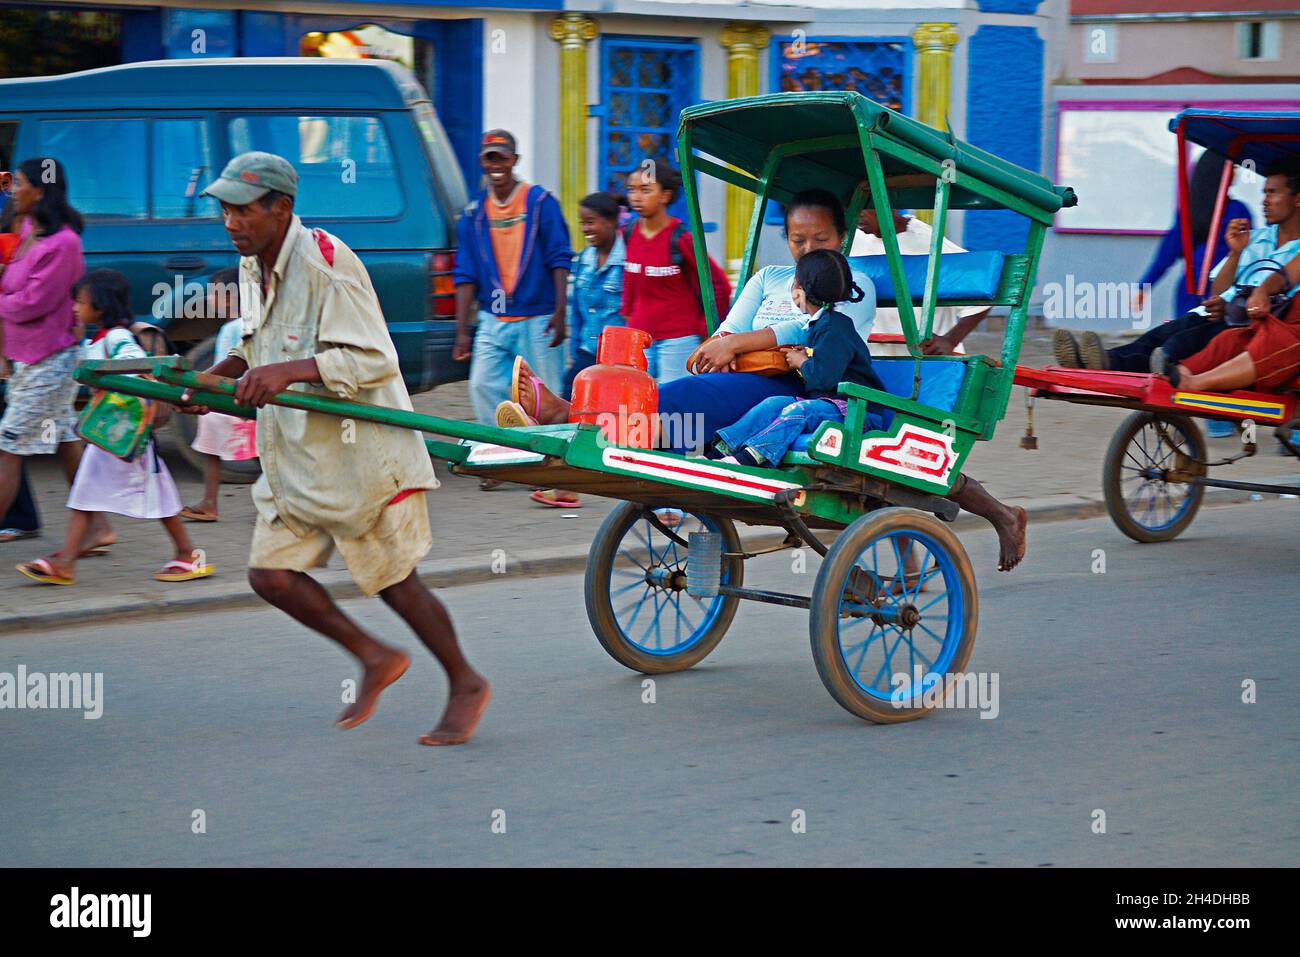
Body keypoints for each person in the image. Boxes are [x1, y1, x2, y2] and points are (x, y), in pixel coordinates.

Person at [501, 191, 1028, 571]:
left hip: (806, 388)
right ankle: (591, 418)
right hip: (755, 379)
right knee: (695, 394)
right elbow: (723, 336)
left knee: (688, 399)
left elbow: (812, 332)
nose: (806, 248)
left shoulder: (852, 284)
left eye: (819, 238)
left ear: (840, 238)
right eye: (797, 239)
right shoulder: (768, 278)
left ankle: (577, 414)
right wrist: (730, 345)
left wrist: (745, 346)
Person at [177, 151, 490, 745]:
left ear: (281, 207)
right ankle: (374, 655)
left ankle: (465, 680)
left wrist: (291, 371)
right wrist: (216, 380)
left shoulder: (325, 263)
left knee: (396, 581)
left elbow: (375, 357)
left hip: (363, 453)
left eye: (243, 210)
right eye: (225, 210)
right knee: (270, 577)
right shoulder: (252, 264)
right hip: (297, 454)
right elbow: (254, 344)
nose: (230, 222)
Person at [16, 270, 211, 586]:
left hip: (124, 431)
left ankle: (67, 561)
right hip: (113, 432)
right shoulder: (99, 338)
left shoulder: (118, 338)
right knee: (135, 494)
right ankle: (186, 553)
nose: (76, 308)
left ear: (102, 306)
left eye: (81, 302)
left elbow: (137, 370)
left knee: (90, 491)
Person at [1053, 163, 1300, 374]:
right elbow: (1219, 288)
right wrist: (1235, 253)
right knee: (1157, 336)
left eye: (1272, 193)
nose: (1264, 201)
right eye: (1264, 192)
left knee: (1174, 346)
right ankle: (1095, 360)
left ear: (1297, 199)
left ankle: (1106, 363)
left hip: (1250, 328)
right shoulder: (1253, 236)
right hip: (1214, 312)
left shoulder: (1285, 244)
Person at [0, 157, 114, 557]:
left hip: (51, 358)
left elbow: (34, 302)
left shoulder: (64, 242)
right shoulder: (31, 229)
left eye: (19, 183)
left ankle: (95, 526)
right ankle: (98, 526)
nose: (12, 189)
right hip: (29, 358)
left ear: (41, 190)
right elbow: (13, 285)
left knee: (7, 446)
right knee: (65, 439)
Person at [452, 128, 571, 493]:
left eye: (502, 157)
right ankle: (500, 458)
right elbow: (466, 273)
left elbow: (559, 258)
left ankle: (554, 469)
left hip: (538, 316)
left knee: (544, 395)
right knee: (483, 385)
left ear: (515, 161)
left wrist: (561, 311)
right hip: (492, 318)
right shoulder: (474, 214)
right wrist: (461, 331)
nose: (496, 164)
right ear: (482, 163)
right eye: (490, 158)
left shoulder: (539, 203)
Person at [707, 250, 887, 466]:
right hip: (832, 405)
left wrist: (801, 362)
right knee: (773, 404)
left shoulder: (835, 328)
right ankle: (719, 452)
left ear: (798, 292)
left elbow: (822, 379)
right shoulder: (822, 325)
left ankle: (751, 458)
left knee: (800, 410)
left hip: (857, 411)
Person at [530, 191, 627, 510]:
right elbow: (577, 311)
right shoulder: (583, 260)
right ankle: (562, 483)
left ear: (612, 223)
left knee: (599, 420)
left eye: (592, 222)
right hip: (588, 353)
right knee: (565, 409)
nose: (586, 229)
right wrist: (573, 348)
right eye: (582, 223)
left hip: (617, 359)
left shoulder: (628, 261)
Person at [620, 158, 731, 384]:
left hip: (679, 339)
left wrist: (706, 332)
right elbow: (630, 280)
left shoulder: (681, 239)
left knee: (672, 404)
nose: (636, 197)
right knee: (639, 402)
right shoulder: (629, 232)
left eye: (645, 190)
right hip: (639, 337)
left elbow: (719, 285)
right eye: (632, 190)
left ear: (665, 196)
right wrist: (628, 315)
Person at [850, 208, 991, 356]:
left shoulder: (928, 242)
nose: (858, 212)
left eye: (866, 205)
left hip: (926, 361)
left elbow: (981, 299)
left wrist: (950, 340)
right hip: (875, 359)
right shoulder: (853, 241)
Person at [1137, 150, 1254, 321]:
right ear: (1218, 172)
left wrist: (1144, 285)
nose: (1236, 173)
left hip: (1220, 289)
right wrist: (1144, 286)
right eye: (1232, 168)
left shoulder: (1235, 210)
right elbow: (1168, 252)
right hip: (1199, 290)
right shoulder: (1198, 211)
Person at [180, 269, 257, 522]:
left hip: (235, 401)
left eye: (213, 293)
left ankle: (210, 502)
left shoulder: (231, 328)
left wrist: (203, 396)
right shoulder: (254, 322)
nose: (210, 298)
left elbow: (225, 371)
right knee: (265, 457)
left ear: (228, 296)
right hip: (253, 397)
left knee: (210, 442)